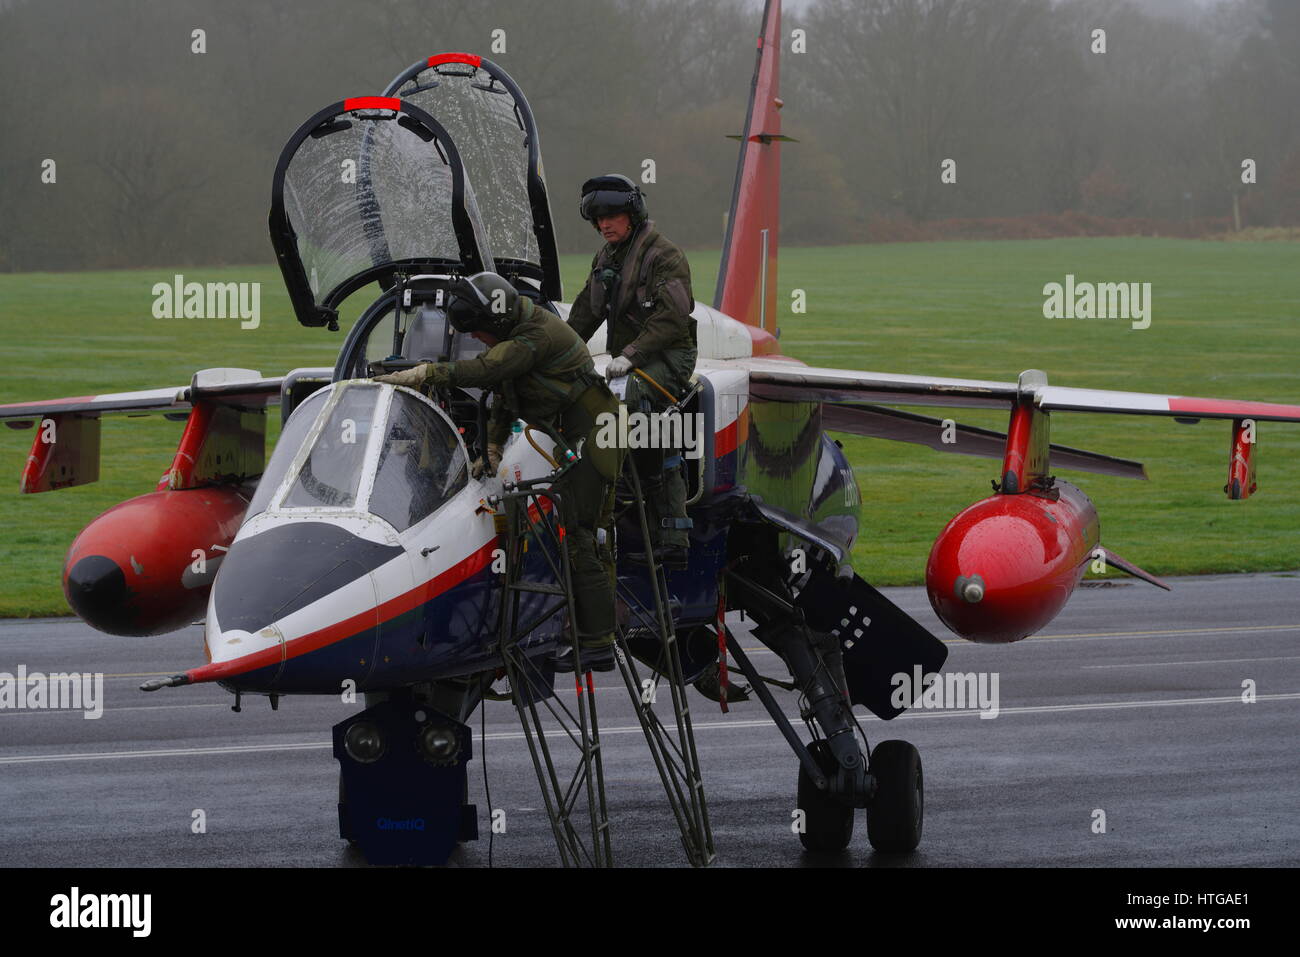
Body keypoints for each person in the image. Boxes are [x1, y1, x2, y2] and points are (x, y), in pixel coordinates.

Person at [375, 272, 622, 671]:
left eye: (482, 333)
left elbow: (489, 371)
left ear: (496, 322)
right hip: (573, 433)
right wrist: (491, 446)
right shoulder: (516, 332)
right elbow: (504, 397)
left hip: (596, 432)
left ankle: (597, 644)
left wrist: (427, 373)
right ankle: (580, 630)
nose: (482, 341)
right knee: (576, 532)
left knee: (580, 534)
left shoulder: (536, 334)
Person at [565, 174, 697, 568]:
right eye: (598, 219)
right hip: (630, 357)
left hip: (670, 356)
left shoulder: (664, 255)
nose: (605, 225)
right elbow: (585, 312)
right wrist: (560, 350)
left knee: (635, 399)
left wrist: (632, 355)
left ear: (632, 215)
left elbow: (673, 318)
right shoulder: (606, 257)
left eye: (613, 216)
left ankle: (672, 527)